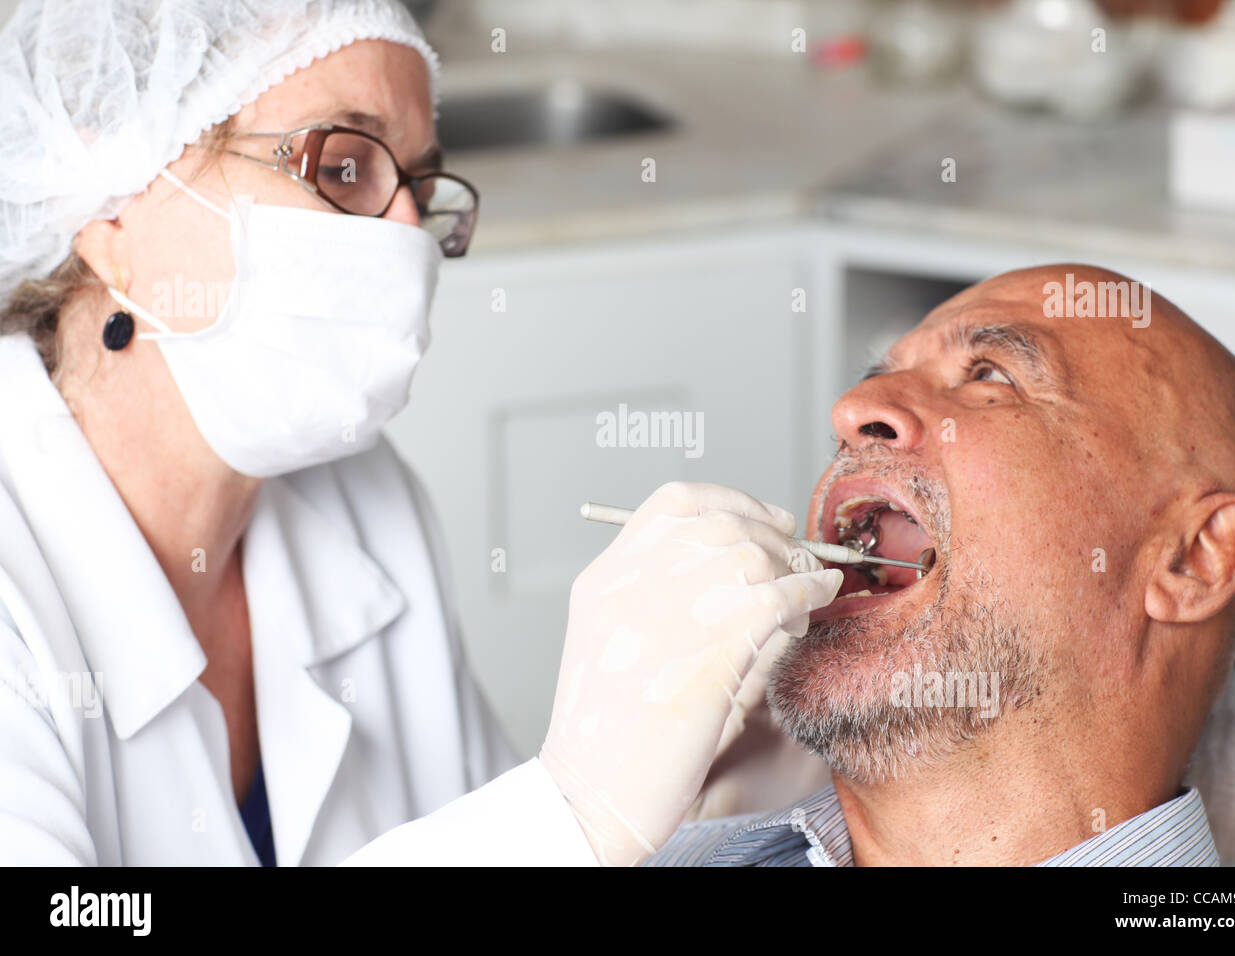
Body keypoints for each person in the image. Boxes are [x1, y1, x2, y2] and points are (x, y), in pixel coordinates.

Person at [0, 0, 841, 866]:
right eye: (344, 164)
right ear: (110, 209)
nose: (409, 237)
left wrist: (693, 782)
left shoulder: (365, 500)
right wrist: (575, 809)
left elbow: (475, 828)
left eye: (421, 187)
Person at [648, 264, 1235, 866]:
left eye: (990, 375)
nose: (852, 409)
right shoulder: (618, 834)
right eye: (878, 371)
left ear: (1195, 558)